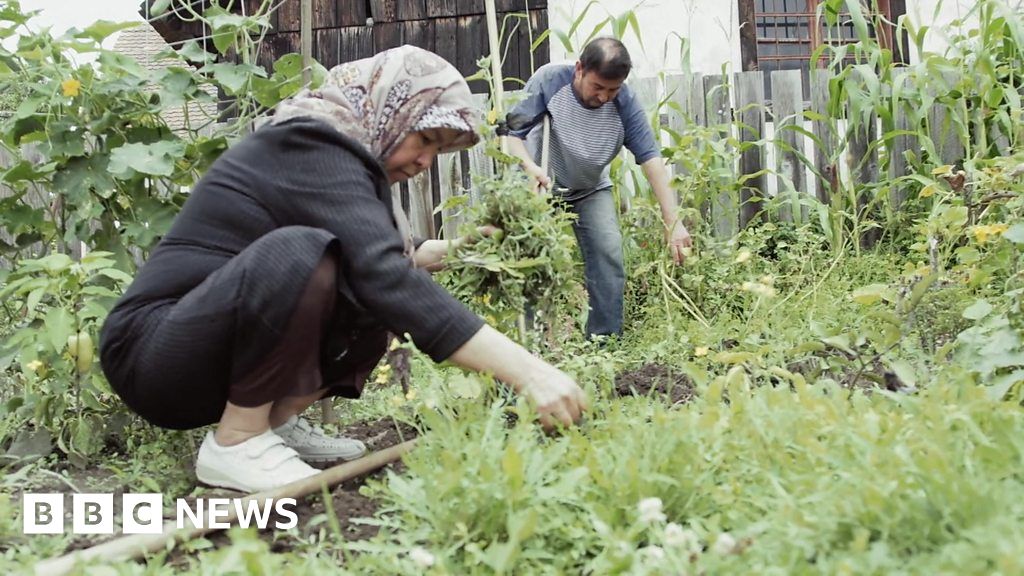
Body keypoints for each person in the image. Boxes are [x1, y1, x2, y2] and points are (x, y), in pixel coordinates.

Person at [99, 45, 588, 494]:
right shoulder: (310, 141)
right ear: (388, 107)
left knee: (367, 283)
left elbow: (384, 259)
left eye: (438, 151)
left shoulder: (341, 154)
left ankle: (275, 423)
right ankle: (236, 442)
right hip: (153, 352)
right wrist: (530, 372)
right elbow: (377, 269)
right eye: (423, 138)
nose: (424, 160)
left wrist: (456, 250)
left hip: (203, 344)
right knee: (311, 254)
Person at [505, 37, 692, 338]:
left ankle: (603, 342)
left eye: (612, 89)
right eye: (598, 87)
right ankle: (530, 343)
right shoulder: (550, 80)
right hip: (540, 183)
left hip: (589, 188)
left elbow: (651, 160)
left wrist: (674, 221)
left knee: (608, 253)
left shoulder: (625, 102)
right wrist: (529, 168)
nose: (605, 96)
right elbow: (513, 135)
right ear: (579, 69)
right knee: (530, 258)